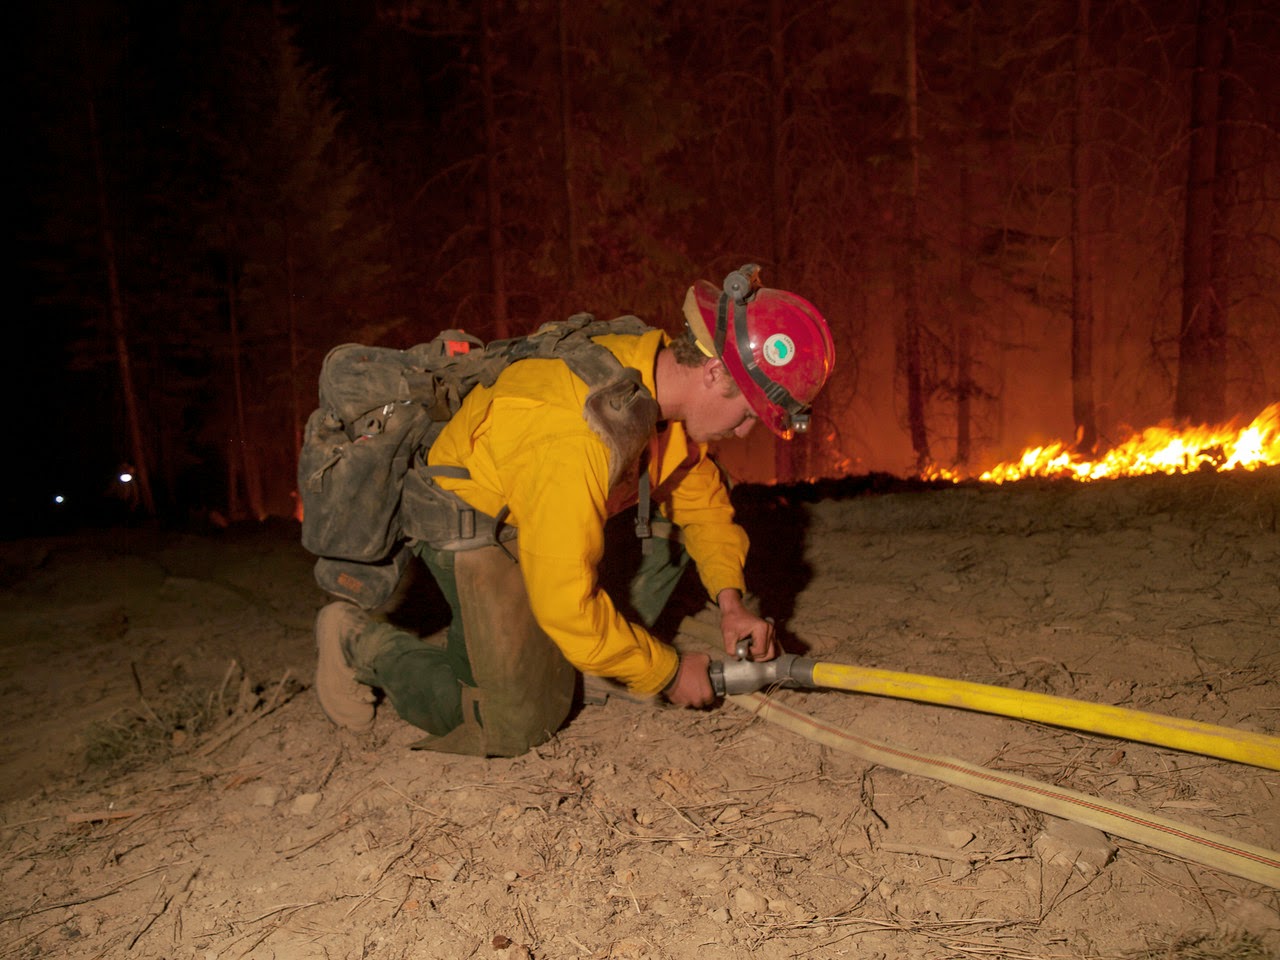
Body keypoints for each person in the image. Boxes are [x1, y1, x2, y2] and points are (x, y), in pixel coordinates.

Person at [314, 265, 835, 757]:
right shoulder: (574, 430)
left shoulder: (652, 384)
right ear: (716, 372)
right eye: (747, 414)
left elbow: (702, 502)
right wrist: (668, 673)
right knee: (516, 722)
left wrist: (730, 601)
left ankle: (552, 656)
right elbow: (567, 608)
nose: (744, 432)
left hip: (547, 517)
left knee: (667, 545)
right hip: (476, 526)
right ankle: (358, 639)